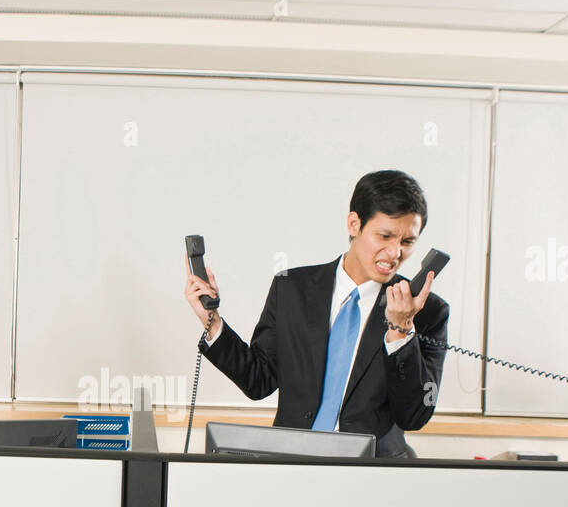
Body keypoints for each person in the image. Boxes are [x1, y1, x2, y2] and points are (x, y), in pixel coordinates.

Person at [184, 169, 449, 458]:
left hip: (375, 473)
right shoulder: (291, 288)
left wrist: (400, 330)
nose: (394, 253)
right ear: (354, 224)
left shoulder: (427, 312)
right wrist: (210, 321)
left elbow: (414, 416)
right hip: (294, 462)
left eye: (407, 242)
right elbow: (258, 381)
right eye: (384, 236)